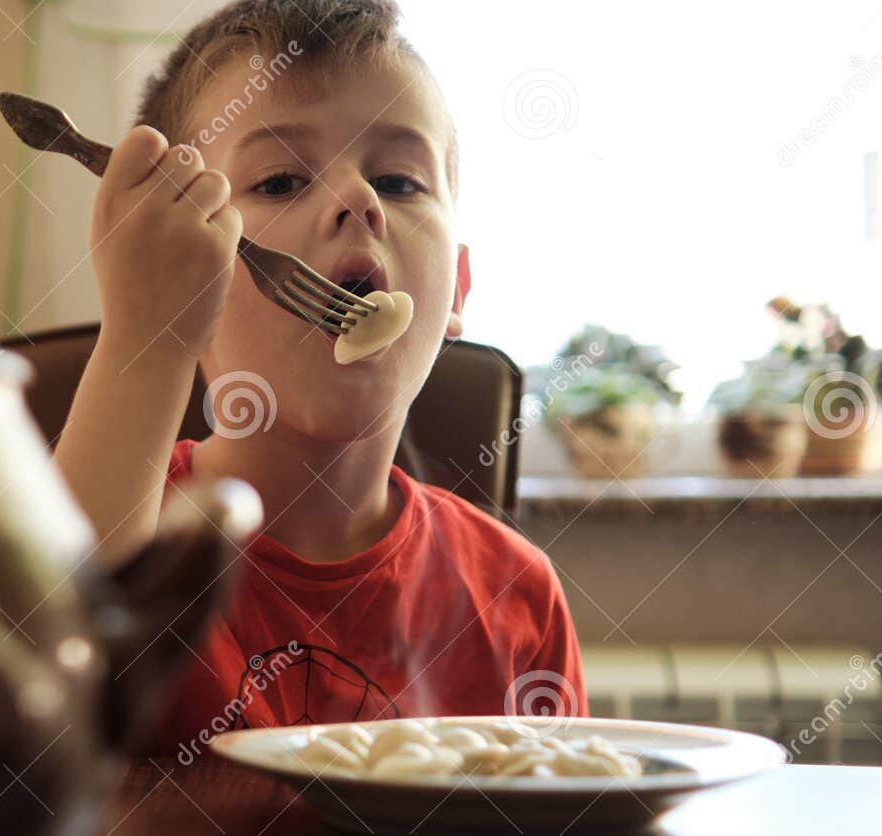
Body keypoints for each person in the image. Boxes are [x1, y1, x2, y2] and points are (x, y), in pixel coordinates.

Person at [49, 0, 587, 753]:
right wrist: (147, 338)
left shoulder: (516, 595)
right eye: (277, 182)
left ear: (457, 291)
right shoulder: (136, 534)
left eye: (399, 182)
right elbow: (34, 714)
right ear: (180, 270)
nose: (357, 202)